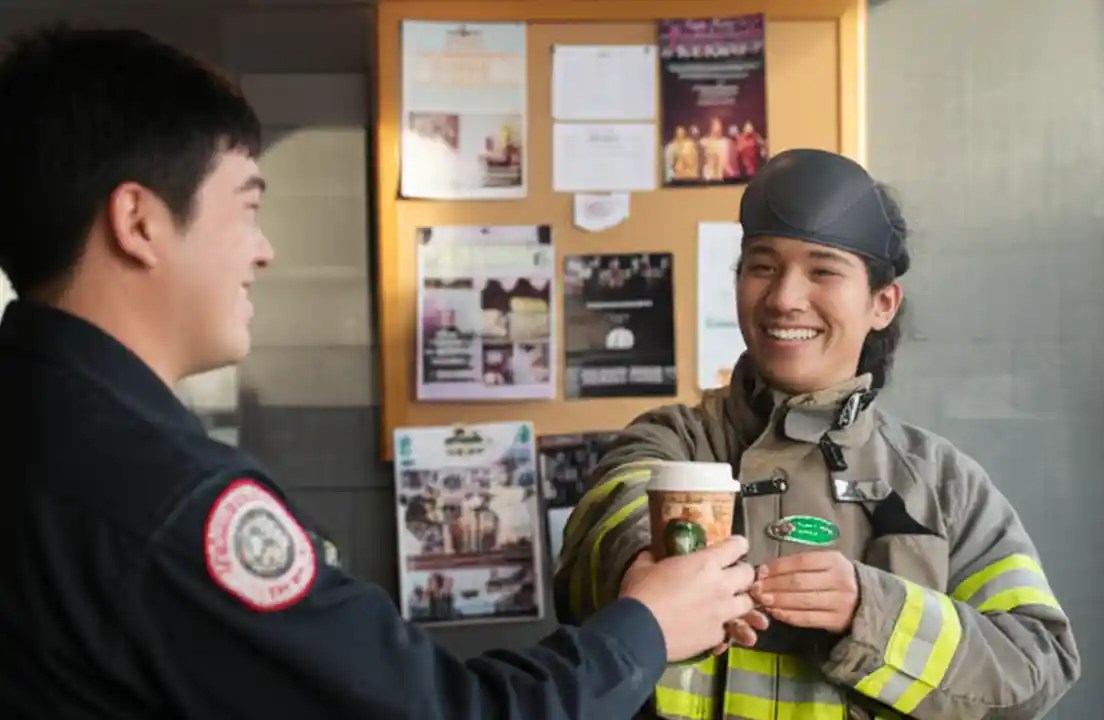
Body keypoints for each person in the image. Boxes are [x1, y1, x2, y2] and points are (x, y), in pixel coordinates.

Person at [0, 25, 759, 718]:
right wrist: (647, 627)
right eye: (247, 207)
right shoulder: (170, 502)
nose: (263, 250)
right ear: (139, 222)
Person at [555, 148, 1082, 719]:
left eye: (823, 270)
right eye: (762, 266)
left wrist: (872, 612)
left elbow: (1035, 669)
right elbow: (600, 535)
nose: (783, 298)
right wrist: (640, 570)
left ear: (882, 303)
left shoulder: (944, 486)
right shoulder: (671, 442)